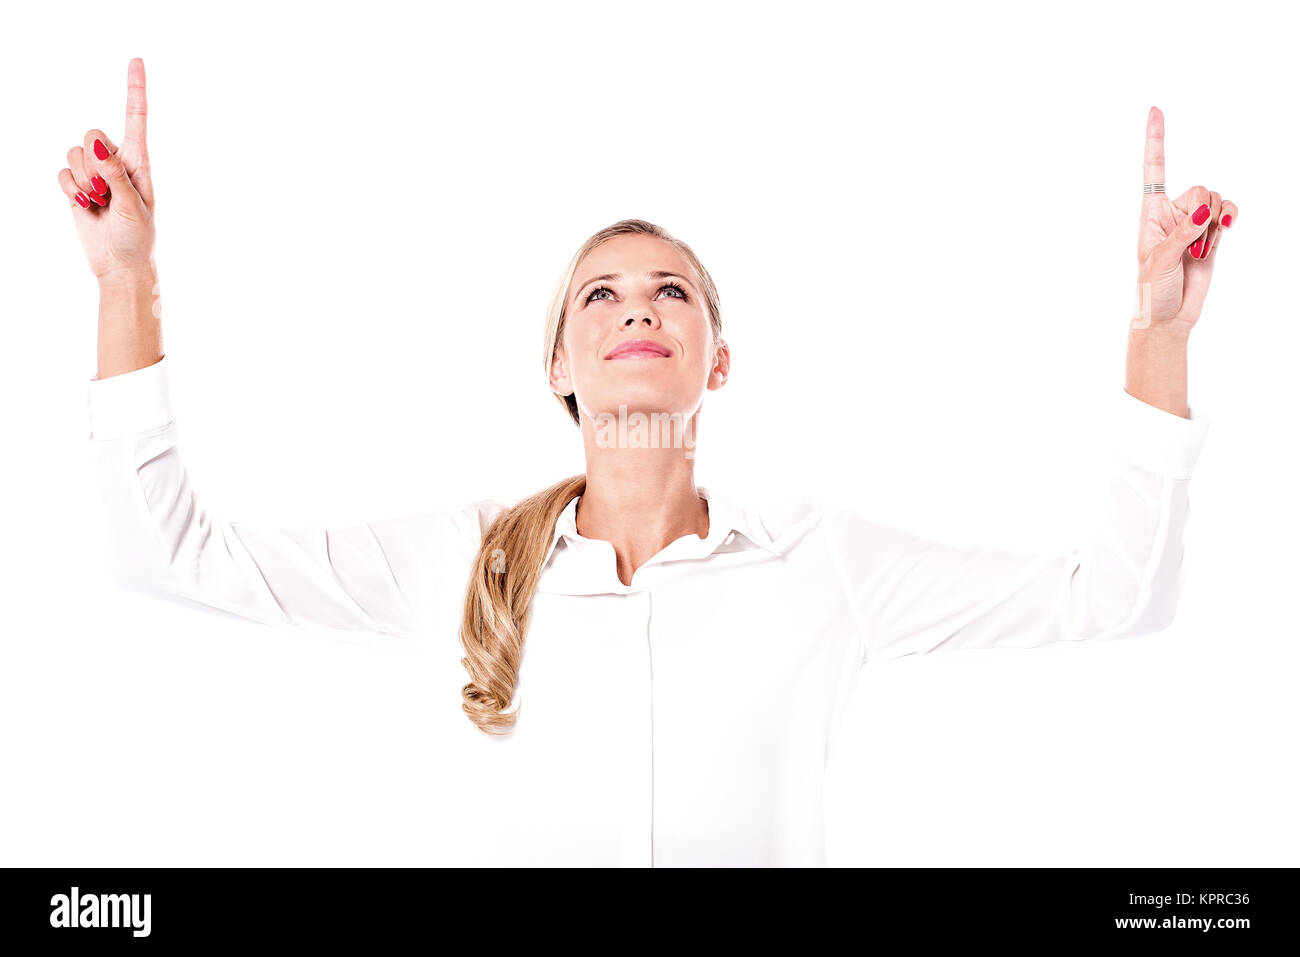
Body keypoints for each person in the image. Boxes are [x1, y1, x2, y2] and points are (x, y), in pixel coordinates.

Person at [62, 59, 1232, 867]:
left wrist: (1157, 337)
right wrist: (129, 285)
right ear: (559, 363)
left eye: (672, 291)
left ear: (716, 361)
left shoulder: (821, 563)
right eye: (604, 294)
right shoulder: (465, 562)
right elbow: (164, 556)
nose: (641, 309)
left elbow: (1114, 598)